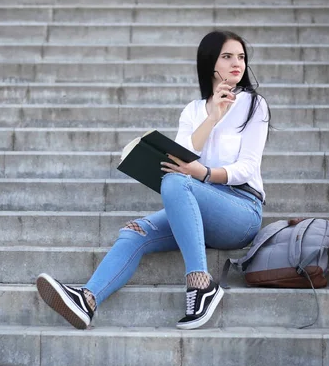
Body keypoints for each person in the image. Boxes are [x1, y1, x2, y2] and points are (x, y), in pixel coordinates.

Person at [36, 30, 271, 330]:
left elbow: (248, 167)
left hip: (241, 210)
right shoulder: (193, 111)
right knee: (135, 231)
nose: (237, 63)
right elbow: (187, 154)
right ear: (211, 62)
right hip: (198, 205)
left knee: (175, 181)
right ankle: (87, 300)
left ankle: (201, 285)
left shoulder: (254, 105)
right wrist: (212, 115)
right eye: (227, 56)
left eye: (240, 57)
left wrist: (205, 174)